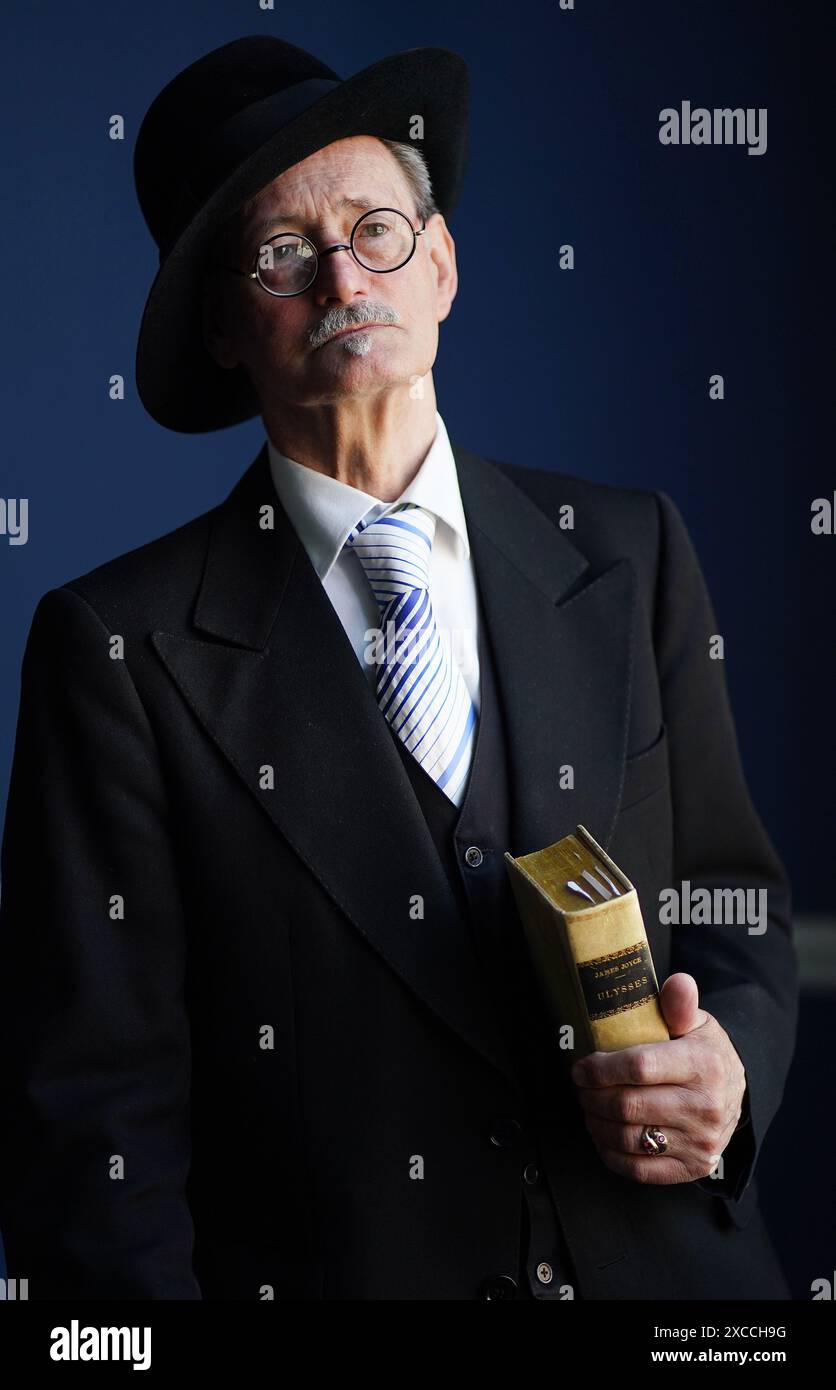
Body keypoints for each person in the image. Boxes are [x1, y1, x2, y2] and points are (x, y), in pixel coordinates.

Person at [0, 34, 798, 1300]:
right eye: (281, 254)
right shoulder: (113, 652)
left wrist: (730, 1068)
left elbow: (728, 904)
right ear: (222, 324)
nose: (340, 278)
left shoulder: (631, 549)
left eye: (376, 228)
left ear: (441, 264)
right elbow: (96, 1132)